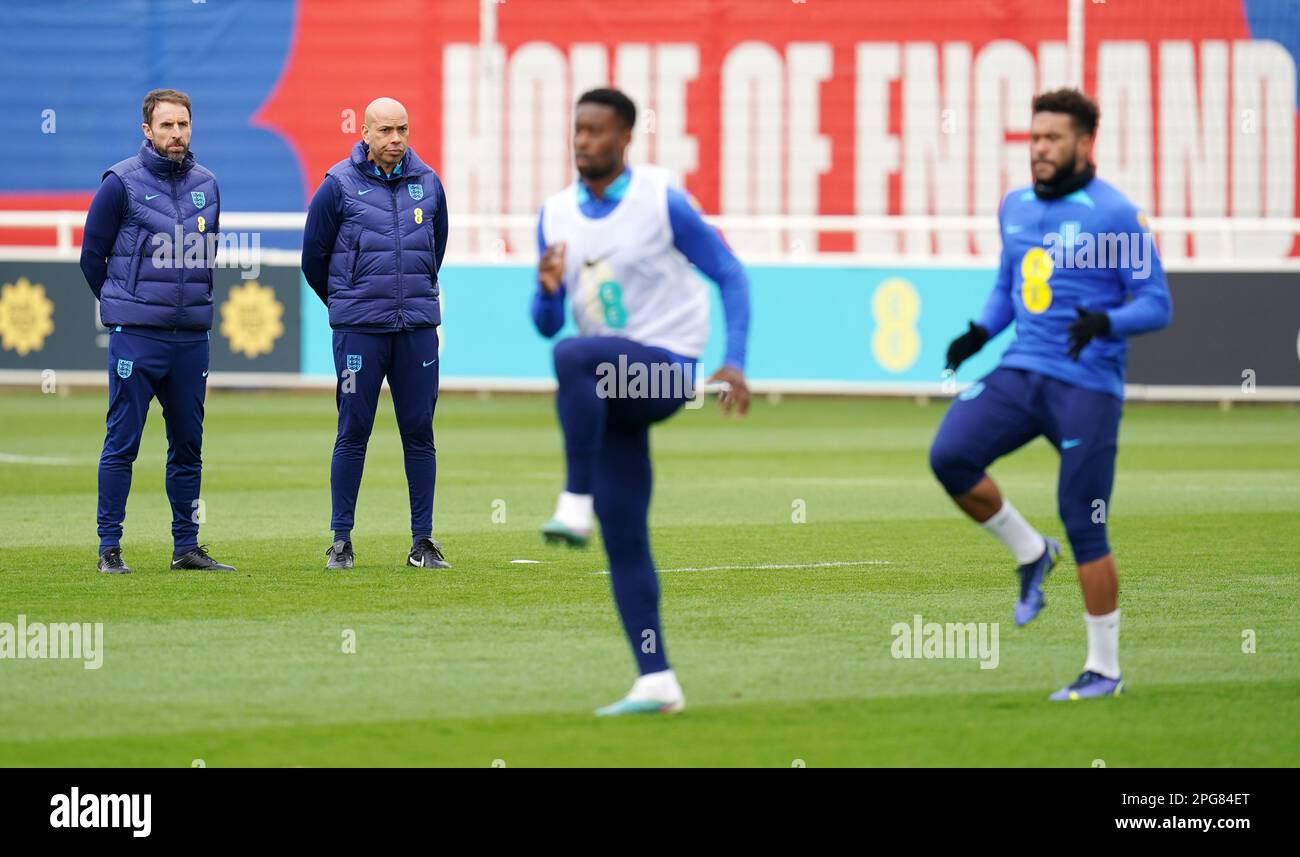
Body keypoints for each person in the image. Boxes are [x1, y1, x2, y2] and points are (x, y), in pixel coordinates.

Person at [929, 88, 1172, 700]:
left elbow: (1157, 304)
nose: (1039, 149)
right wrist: (979, 332)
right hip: (1021, 373)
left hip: (1085, 385)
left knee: (1086, 521)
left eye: (1052, 139)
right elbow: (1007, 287)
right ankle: (1032, 553)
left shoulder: (1115, 214)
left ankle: (1104, 670)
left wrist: (1106, 323)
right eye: (1034, 138)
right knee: (949, 455)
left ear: (1085, 144)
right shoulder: (1014, 207)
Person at [532, 88, 752, 715]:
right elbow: (547, 321)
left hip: (668, 373)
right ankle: (656, 679)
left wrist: (733, 360)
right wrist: (548, 292)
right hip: (611, 386)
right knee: (624, 533)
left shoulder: (661, 199)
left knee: (574, 357)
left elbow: (730, 273)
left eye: (597, 131)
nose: (583, 141)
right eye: (577, 129)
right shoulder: (554, 215)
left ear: (626, 138)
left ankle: (573, 499)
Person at [80, 88, 234, 574]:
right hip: (138, 337)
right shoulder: (119, 183)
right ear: (147, 130)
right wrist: (122, 305)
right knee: (122, 443)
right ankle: (109, 548)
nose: (176, 134)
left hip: (191, 338)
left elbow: (206, 255)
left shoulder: (207, 184)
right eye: (166, 125)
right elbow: (92, 256)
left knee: (188, 446)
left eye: (182, 125)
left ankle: (185, 547)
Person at [302, 98, 450, 572]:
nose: (395, 139)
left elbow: (435, 250)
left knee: (419, 433)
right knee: (353, 431)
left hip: (416, 332)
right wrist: (349, 304)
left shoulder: (428, 185)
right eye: (385, 130)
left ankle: (422, 542)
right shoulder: (338, 186)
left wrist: (413, 300)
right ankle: (341, 540)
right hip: (359, 335)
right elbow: (314, 259)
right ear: (364, 133)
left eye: (402, 129)